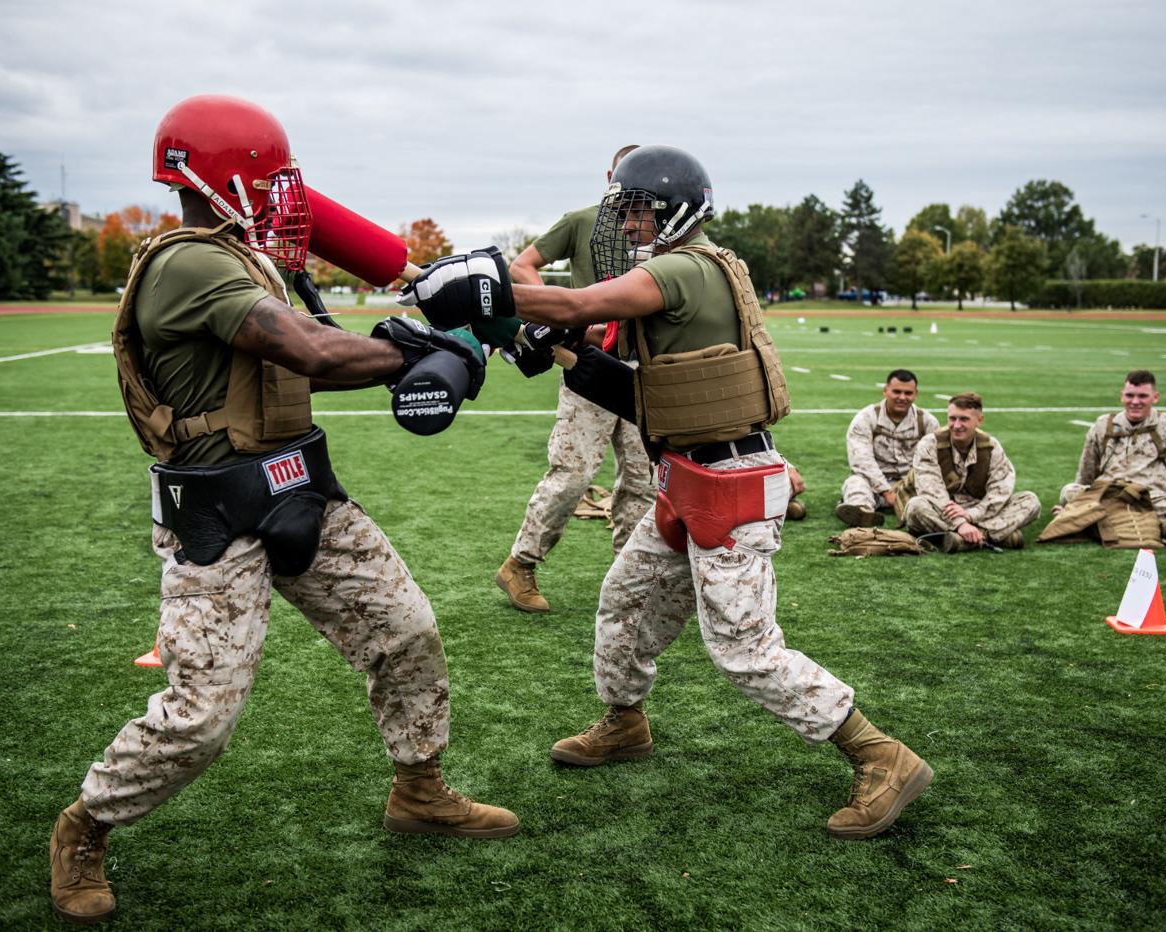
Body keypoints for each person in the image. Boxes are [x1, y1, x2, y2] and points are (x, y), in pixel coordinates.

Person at [48, 95, 517, 926]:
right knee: (201, 717)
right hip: (216, 514)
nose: (281, 195)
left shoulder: (244, 255)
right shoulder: (187, 261)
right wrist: (423, 350)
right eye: (267, 179)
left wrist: (414, 343)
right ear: (219, 177)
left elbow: (312, 357)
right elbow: (302, 346)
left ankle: (419, 790)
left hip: (299, 486)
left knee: (405, 630)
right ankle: (86, 826)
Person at [399, 145, 932, 840]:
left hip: (730, 487)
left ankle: (878, 754)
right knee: (623, 599)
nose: (630, 224)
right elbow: (636, 390)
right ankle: (625, 722)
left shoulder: (680, 269)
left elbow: (579, 301)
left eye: (639, 209)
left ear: (678, 208)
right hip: (688, 479)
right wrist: (547, 344)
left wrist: (486, 286)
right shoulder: (697, 272)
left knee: (743, 649)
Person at [496, 145, 655, 614]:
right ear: (610, 175)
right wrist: (559, 324)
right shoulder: (582, 220)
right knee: (574, 473)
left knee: (643, 480)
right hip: (588, 365)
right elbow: (521, 266)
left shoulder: (665, 234)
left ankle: (630, 578)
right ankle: (520, 565)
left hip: (645, 369)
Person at [1057, 370, 1166, 542]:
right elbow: (1088, 469)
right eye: (1130, 395)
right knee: (1068, 492)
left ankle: (1095, 524)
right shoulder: (1103, 424)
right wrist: (1075, 502)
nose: (1135, 402)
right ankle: (1156, 526)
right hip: (1108, 496)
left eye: (1142, 396)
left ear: (1155, 397)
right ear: (1122, 396)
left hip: (1151, 499)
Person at [902, 393, 1041, 552]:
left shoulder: (991, 447)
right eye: (952, 418)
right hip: (943, 509)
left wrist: (971, 515)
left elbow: (1001, 489)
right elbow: (932, 490)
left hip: (980, 509)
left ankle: (969, 538)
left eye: (964, 419)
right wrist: (960, 523)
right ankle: (997, 534)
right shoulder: (929, 444)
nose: (956, 425)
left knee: (1030, 501)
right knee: (915, 506)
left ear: (979, 420)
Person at [836, 368, 939, 527]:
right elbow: (861, 460)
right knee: (855, 483)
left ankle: (925, 515)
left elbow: (933, 460)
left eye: (908, 393)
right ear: (885, 391)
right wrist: (886, 490)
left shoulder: (927, 421)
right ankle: (863, 514)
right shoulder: (866, 417)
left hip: (911, 484)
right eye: (896, 392)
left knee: (936, 493)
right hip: (875, 483)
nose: (902, 397)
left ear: (915, 394)